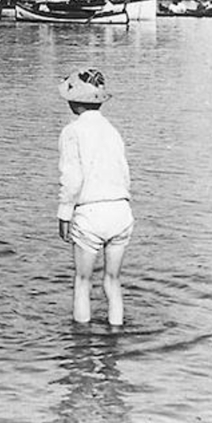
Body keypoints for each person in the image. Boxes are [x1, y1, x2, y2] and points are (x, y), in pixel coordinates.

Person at [57, 68, 134, 326]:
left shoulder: (72, 131)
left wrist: (64, 214)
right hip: (121, 211)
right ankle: (115, 339)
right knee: (113, 281)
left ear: (73, 101)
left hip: (90, 212)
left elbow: (72, 178)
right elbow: (124, 173)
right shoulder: (112, 131)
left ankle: (81, 348)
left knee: (82, 281)